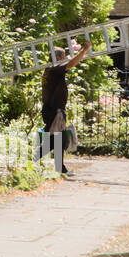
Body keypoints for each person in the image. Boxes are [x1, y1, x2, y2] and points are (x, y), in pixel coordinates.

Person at [40, 39, 91, 176]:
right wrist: (84, 50)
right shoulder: (55, 68)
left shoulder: (50, 68)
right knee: (57, 140)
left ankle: (56, 167)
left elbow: (69, 61)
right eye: (62, 56)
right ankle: (34, 161)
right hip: (54, 110)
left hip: (53, 109)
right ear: (57, 58)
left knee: (55, 140)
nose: (64, 59)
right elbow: (70, 64)